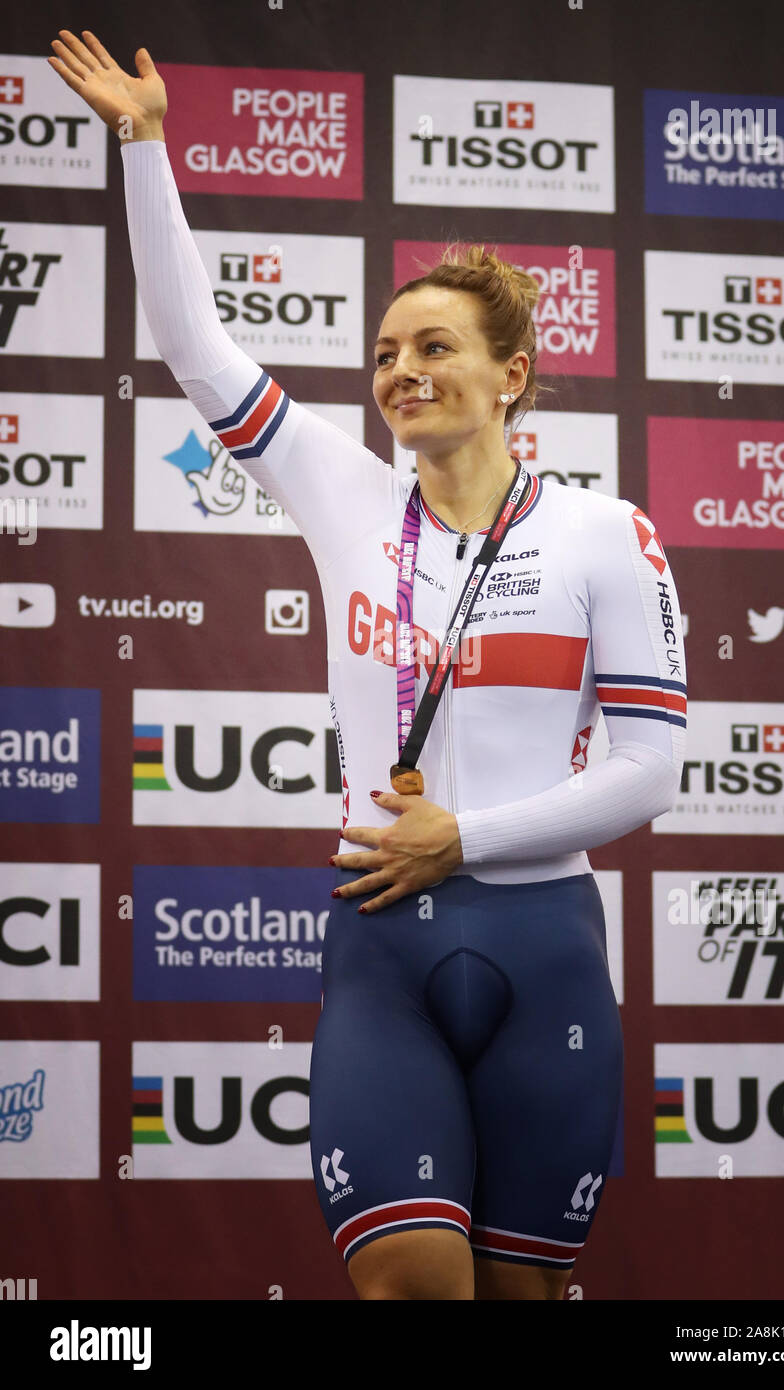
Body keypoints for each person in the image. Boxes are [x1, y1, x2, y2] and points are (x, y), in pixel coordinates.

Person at [48, 30, 687, 1301]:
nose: (400, 371)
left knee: (520, 1298)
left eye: (434, 347)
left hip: (543, 938)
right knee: (407, 1282)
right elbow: (194, 347)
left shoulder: (603, 531)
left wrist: (466, 838)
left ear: (512, 378)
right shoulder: (345, 494)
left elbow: (650, 771)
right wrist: (143, 145)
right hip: (382, 944)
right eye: (387, 352)